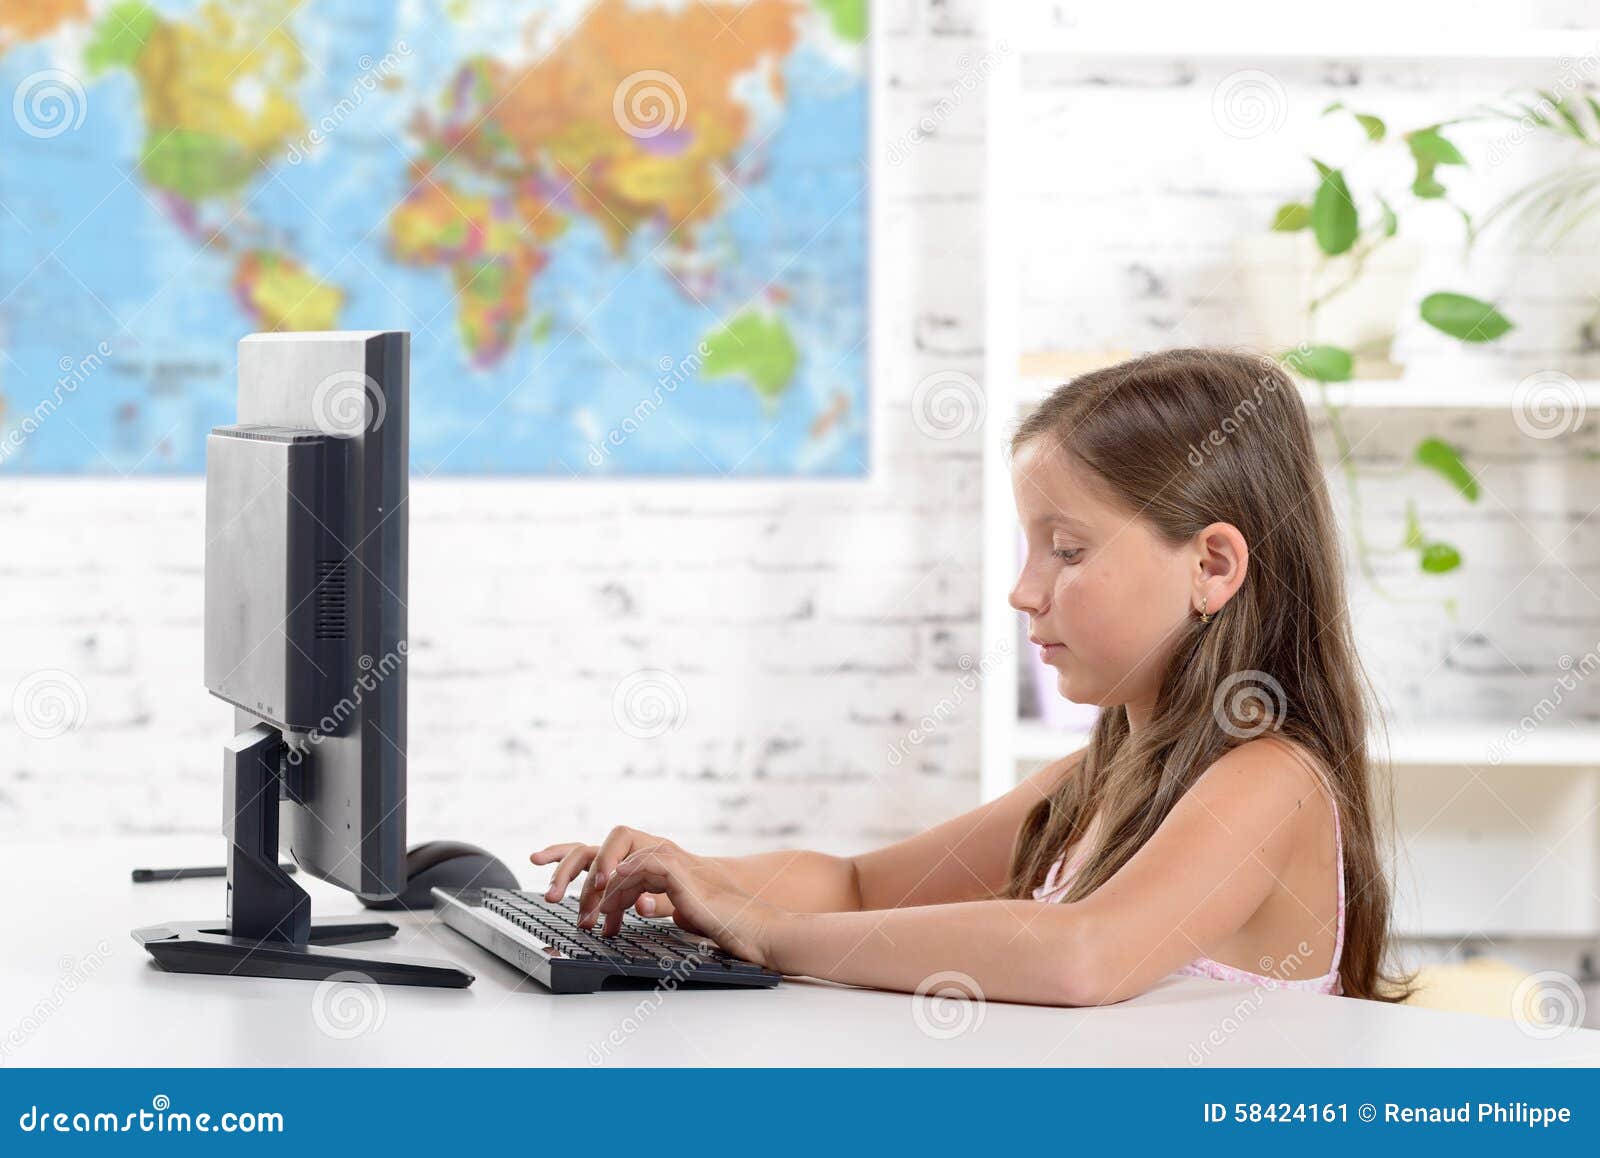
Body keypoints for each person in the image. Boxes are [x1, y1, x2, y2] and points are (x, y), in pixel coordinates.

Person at [531, 347, 1413, 1005]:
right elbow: (861, 887)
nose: (1025, 591)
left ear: (1213, 566)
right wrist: (683, 877)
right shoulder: (1098, 778)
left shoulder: (1272, 779)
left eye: (1067, 550)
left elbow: (1084, 954)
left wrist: (768, 936)